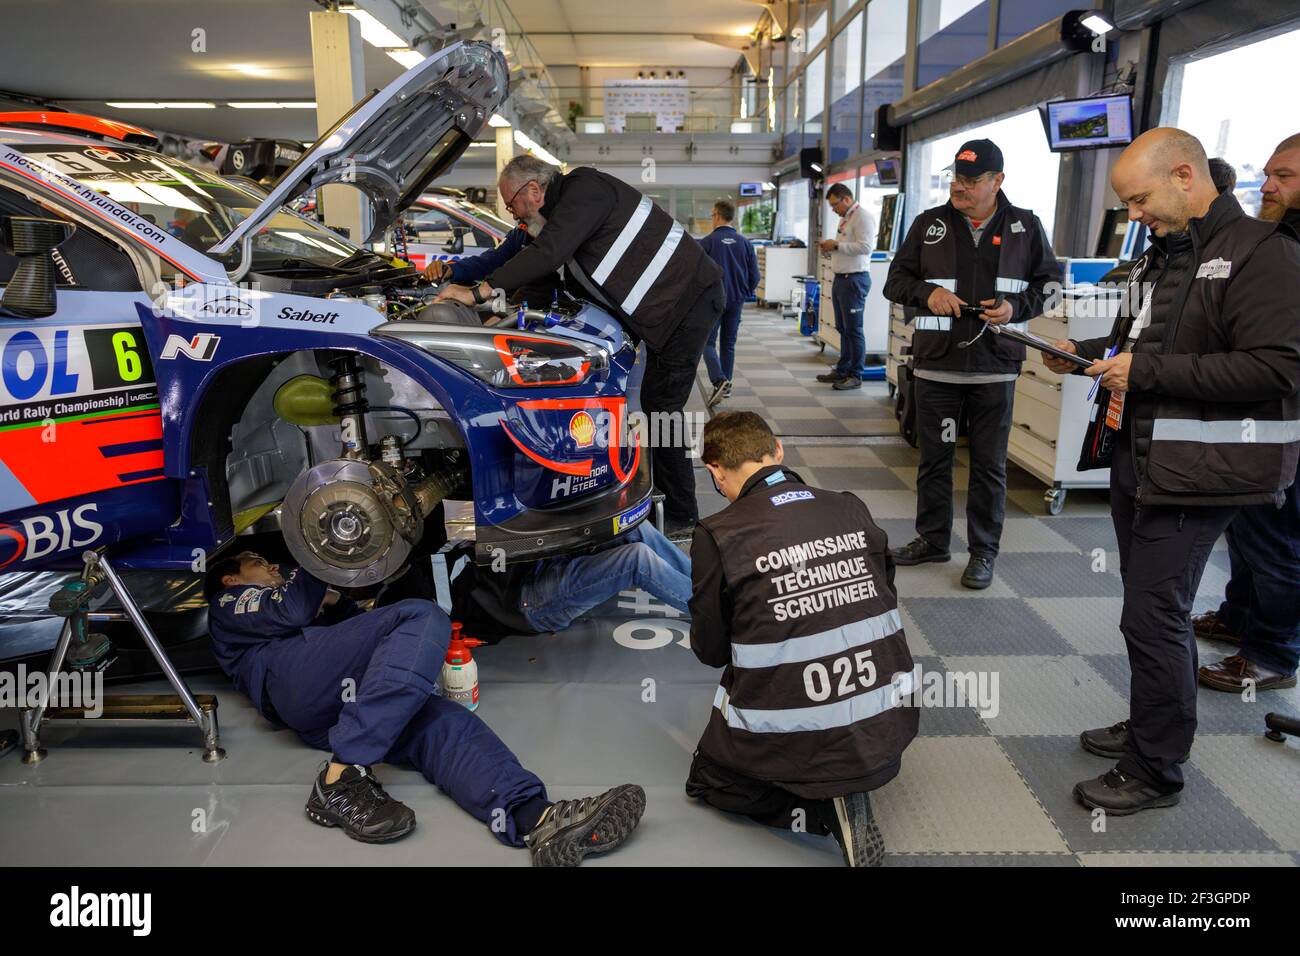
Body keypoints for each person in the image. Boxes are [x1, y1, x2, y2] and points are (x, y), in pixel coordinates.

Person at [1041, 128, 1300, 814]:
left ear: (1185, 175)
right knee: (1154, 610)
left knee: (1153, 613)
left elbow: (1277, 366)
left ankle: (1156, 767)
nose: (1134, 215)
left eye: (1140, 199)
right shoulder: (1164, 257)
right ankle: (1153, 722)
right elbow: (1138, 343)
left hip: (1204, 467)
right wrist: (1081, 352)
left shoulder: (1261, 255)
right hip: (1145, 456)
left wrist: (1146, 369)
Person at [205, 551, 646, 864]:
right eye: (259, 563)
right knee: (422, 615)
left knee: (443, 723)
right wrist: (323, 554)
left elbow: (357, 631)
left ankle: (536, 820)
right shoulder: (228, 603)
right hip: (293, 680)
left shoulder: (294, 607)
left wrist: (337, 601)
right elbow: (294, 608)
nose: (273, 566)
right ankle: (341, 775)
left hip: (342, 708)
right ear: (231, 578)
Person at [436, 155, 725, 539]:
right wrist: (477, 293)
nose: (512, 213)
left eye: (512, 203)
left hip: (689, 302)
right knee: (647, 402)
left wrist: (478, 293)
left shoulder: (584, 190)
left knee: (661, 407)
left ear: (534, 190)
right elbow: (526, 265)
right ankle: (647, 490)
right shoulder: (554, 218)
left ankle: (682, 512)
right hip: (661, 313)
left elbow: (548, 254)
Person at [684, 411, 918, 866]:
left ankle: (820, 808)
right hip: (889, 724)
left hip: (796, 734)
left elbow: (710, 651)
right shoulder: (849, 505)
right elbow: (883, 590)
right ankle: (843, 789)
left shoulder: (718, 534)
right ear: (778, 452)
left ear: (714, 472)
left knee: (707, 783)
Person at [883, 139, 1062, 589]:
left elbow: (1052, 286)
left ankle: (983, 552)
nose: (959, 188)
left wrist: (1016, 307)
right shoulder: (928, 225)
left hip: (994, 367)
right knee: (934, 460)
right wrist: (928, 293)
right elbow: (895, 282)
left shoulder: (1026, 226)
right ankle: (933, 539)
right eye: (955, 178)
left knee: (988, 465)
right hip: (936, 366)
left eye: (970, 180)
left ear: (997, 181)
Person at [1191, 133, 1300, 694]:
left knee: (1278, 538)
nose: (1270, 186)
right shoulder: (1270, 239)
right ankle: (1238, 618)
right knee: (1246, 524)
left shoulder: (1287, 251)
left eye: (1286, 177)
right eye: (1270, 174)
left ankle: (1274, 653)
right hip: (1258, 418)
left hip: (1291, 420)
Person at [384, 522, 693, 640]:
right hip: (528, 604)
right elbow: (447, 609)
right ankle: (714, 612)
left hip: (540, 568)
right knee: (635, 559)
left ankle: (712, 586)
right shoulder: (411, 579)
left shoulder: (448, 525)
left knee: (633, 529)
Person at [815, 183, 877, 391]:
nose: (833, 209)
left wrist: (837, 245)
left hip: (855, 280)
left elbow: (866, 247)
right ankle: (843, 369)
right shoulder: (845, 219)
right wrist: (830, 248)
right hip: (841, 279)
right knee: (842, 328)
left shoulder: (863, 217)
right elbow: (844, 247)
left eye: (835, 205)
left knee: (854, 330)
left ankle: (855, 374)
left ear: (846, 199)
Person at [699, 200, 760, 409]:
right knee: (728, 343)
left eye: (711, 215)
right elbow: (755, 276)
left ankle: (719, 379)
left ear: (717, 215)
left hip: (714, 300)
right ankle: (728, 384)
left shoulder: (707, 242)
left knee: (706, 342)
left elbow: (696, 273)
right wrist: (745, 292)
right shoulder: (745, 243)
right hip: (736, 301)